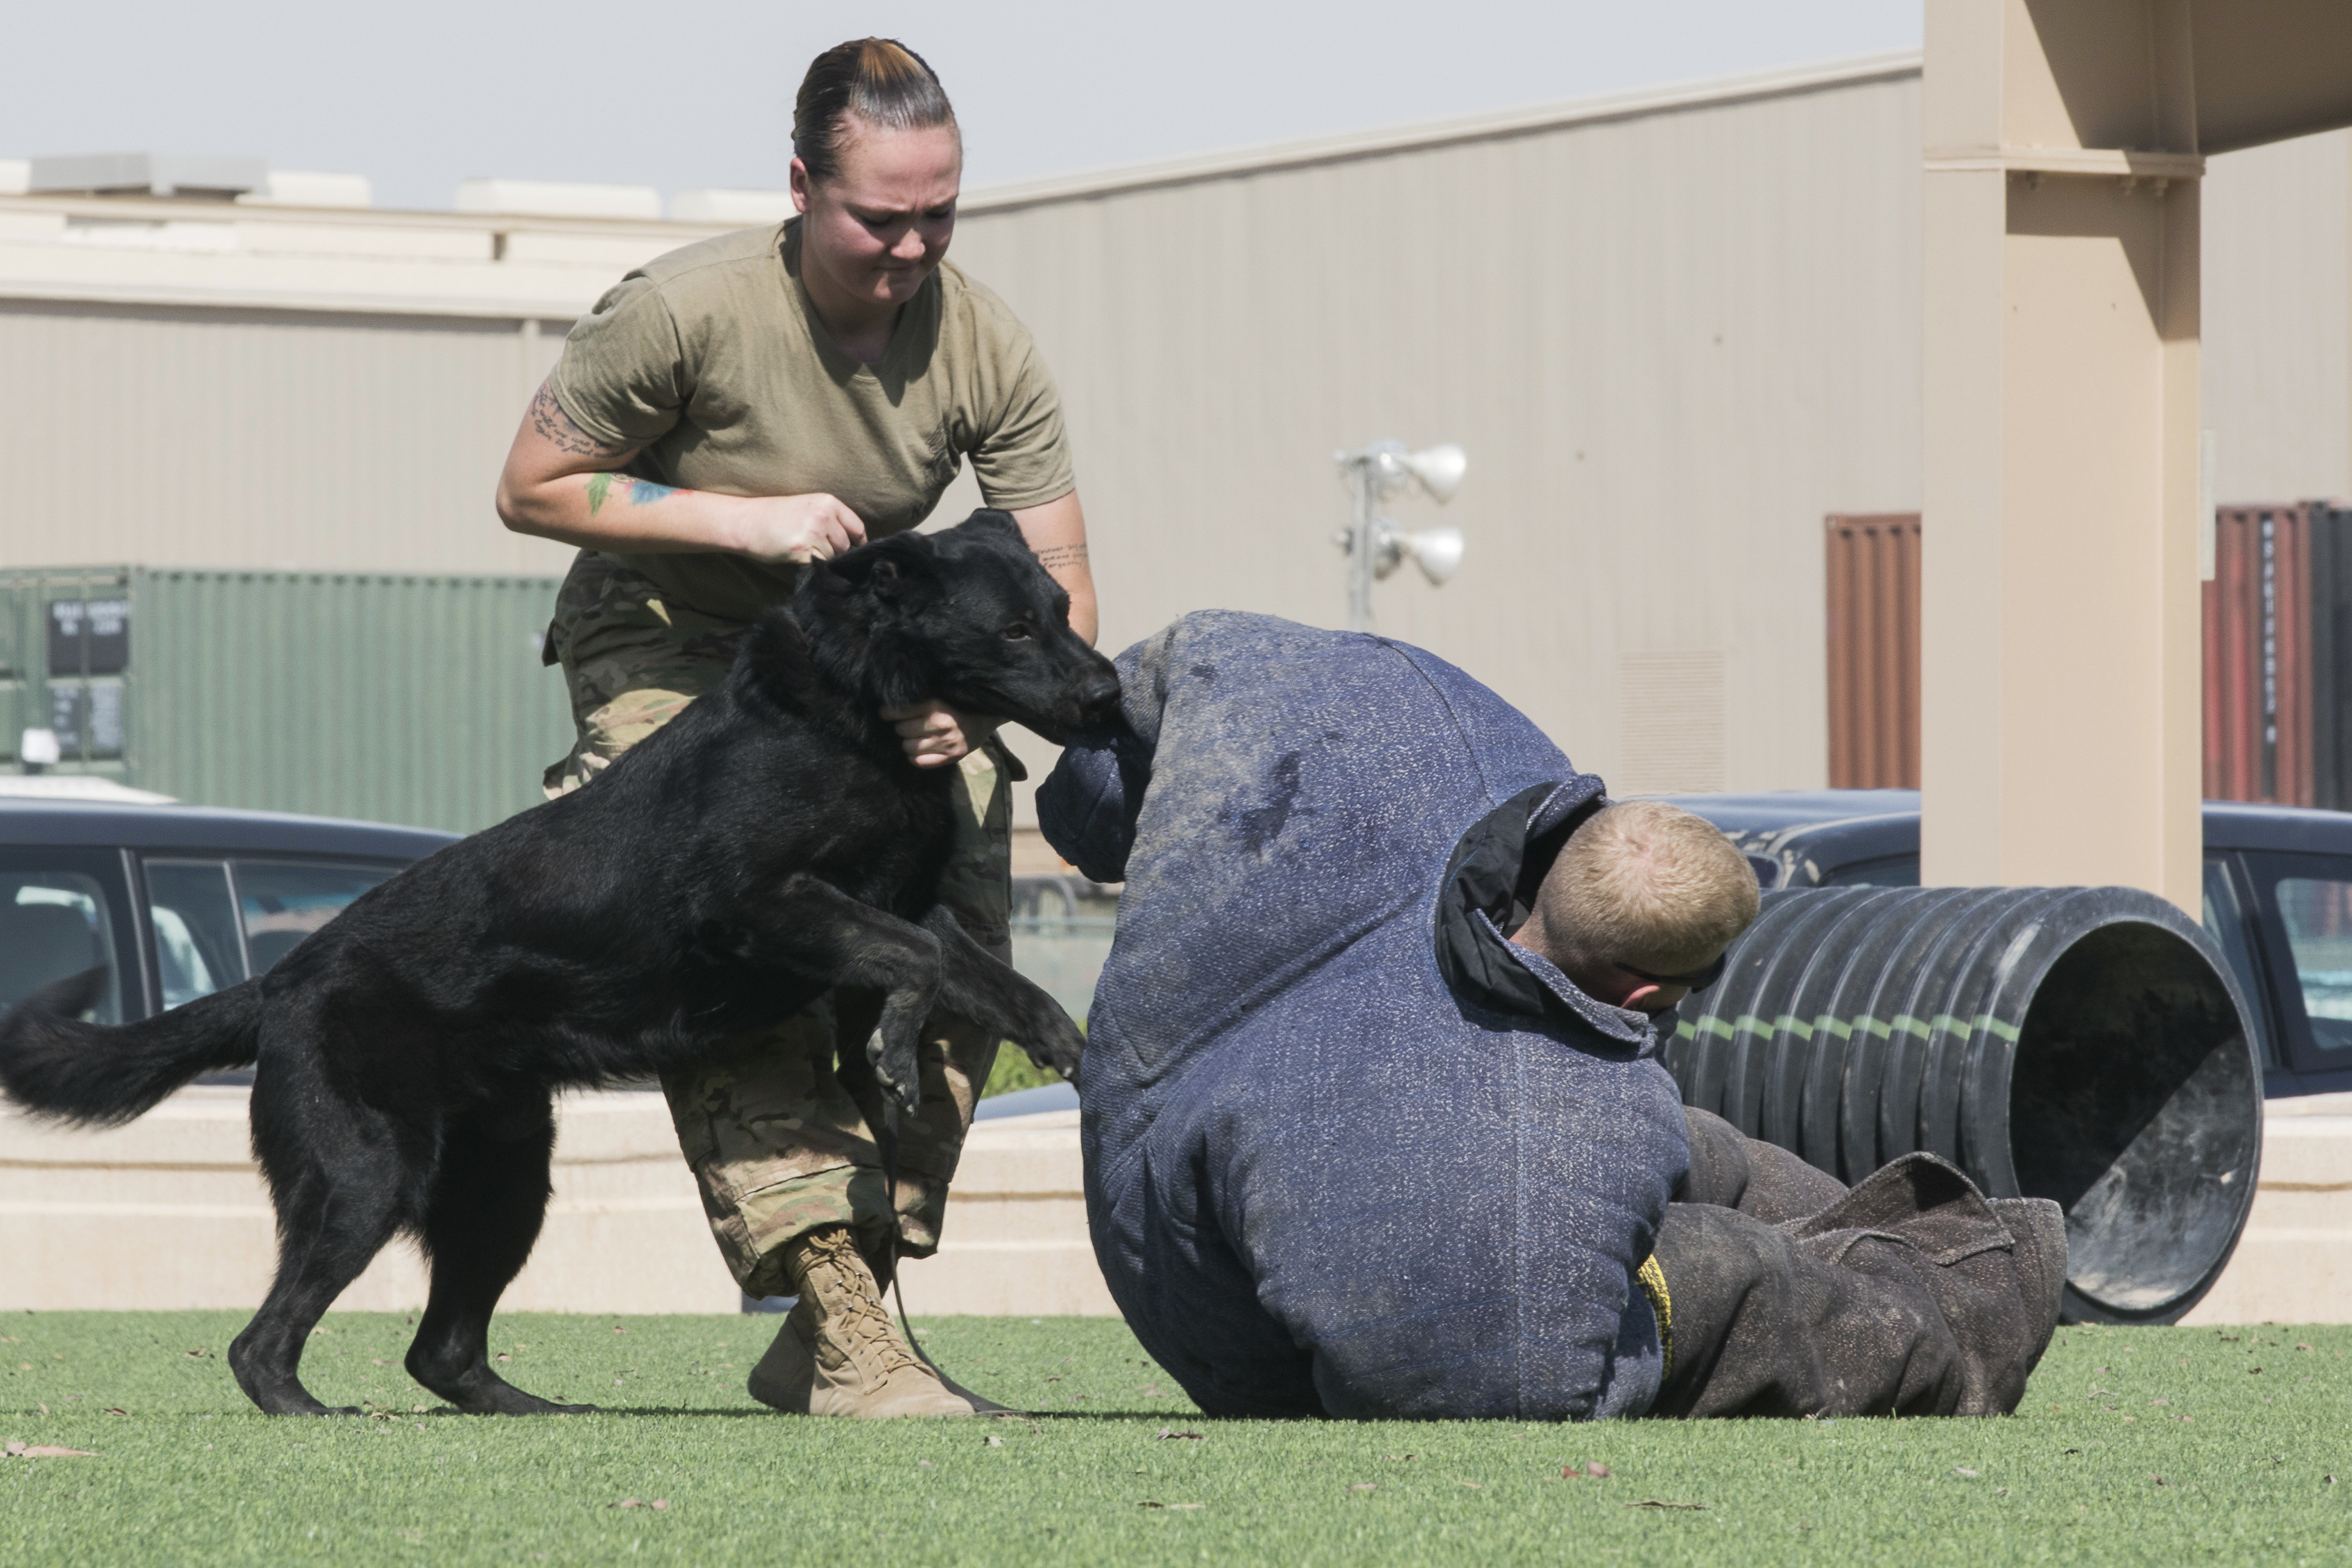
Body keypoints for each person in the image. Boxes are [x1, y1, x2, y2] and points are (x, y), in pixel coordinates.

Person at [1038, 610, 2066, 1421]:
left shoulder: (1382, 711)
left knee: (1696, 1151)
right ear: (1642, 994)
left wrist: (1095, 828)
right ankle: (1985, 1289)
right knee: (1737, 1271)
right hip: (1217, 1298)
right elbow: (1505, 1377)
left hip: (1176, 1127)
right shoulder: (1527, 1169)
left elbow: (1122, 731)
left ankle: (1932, 1228)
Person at [494, 37, 1093, 1418]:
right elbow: (530, 485)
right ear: (801, 186)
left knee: (960, 925)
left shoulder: (985, 340)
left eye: (938, 213)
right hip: (673, 640)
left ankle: (864, 1266)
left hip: (875, 665)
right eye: (879, 216)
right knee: (729, 902)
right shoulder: (683, 311)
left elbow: (1053, 587)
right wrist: (738, 517)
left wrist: (966, 705)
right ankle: (835, 1319)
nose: (910, 245)